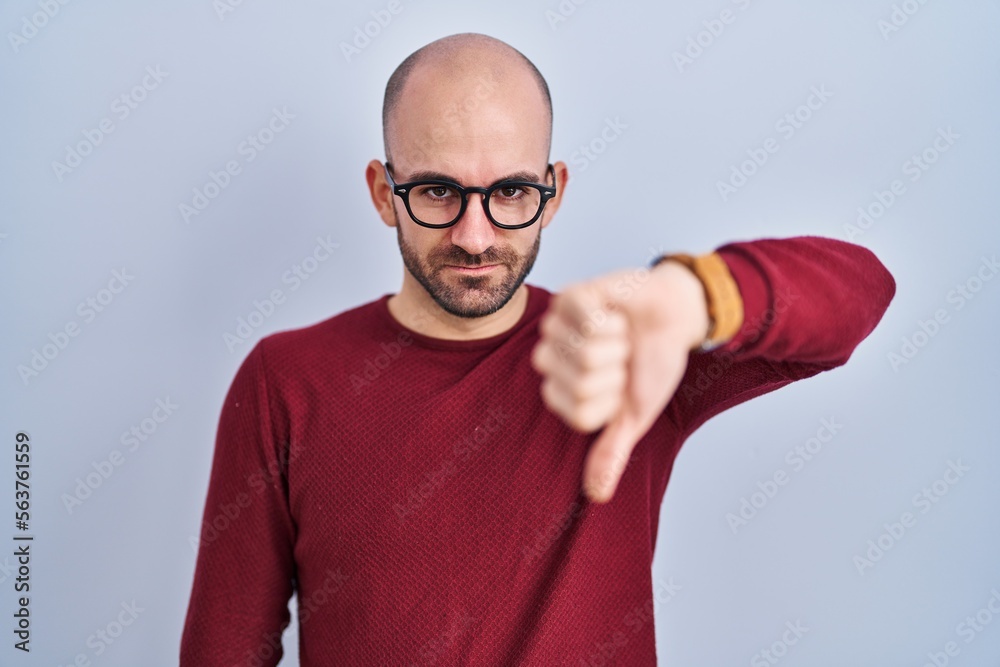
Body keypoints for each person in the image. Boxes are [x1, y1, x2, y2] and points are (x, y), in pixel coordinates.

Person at [180, 32, 896, 666]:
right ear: (382, 191)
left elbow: (862, 291)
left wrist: (693, 295)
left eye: (511, 191)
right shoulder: (286, 378)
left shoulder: (628, 350)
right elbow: (225, 648)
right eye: (436, 190)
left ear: (553, 193)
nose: (475, 235)